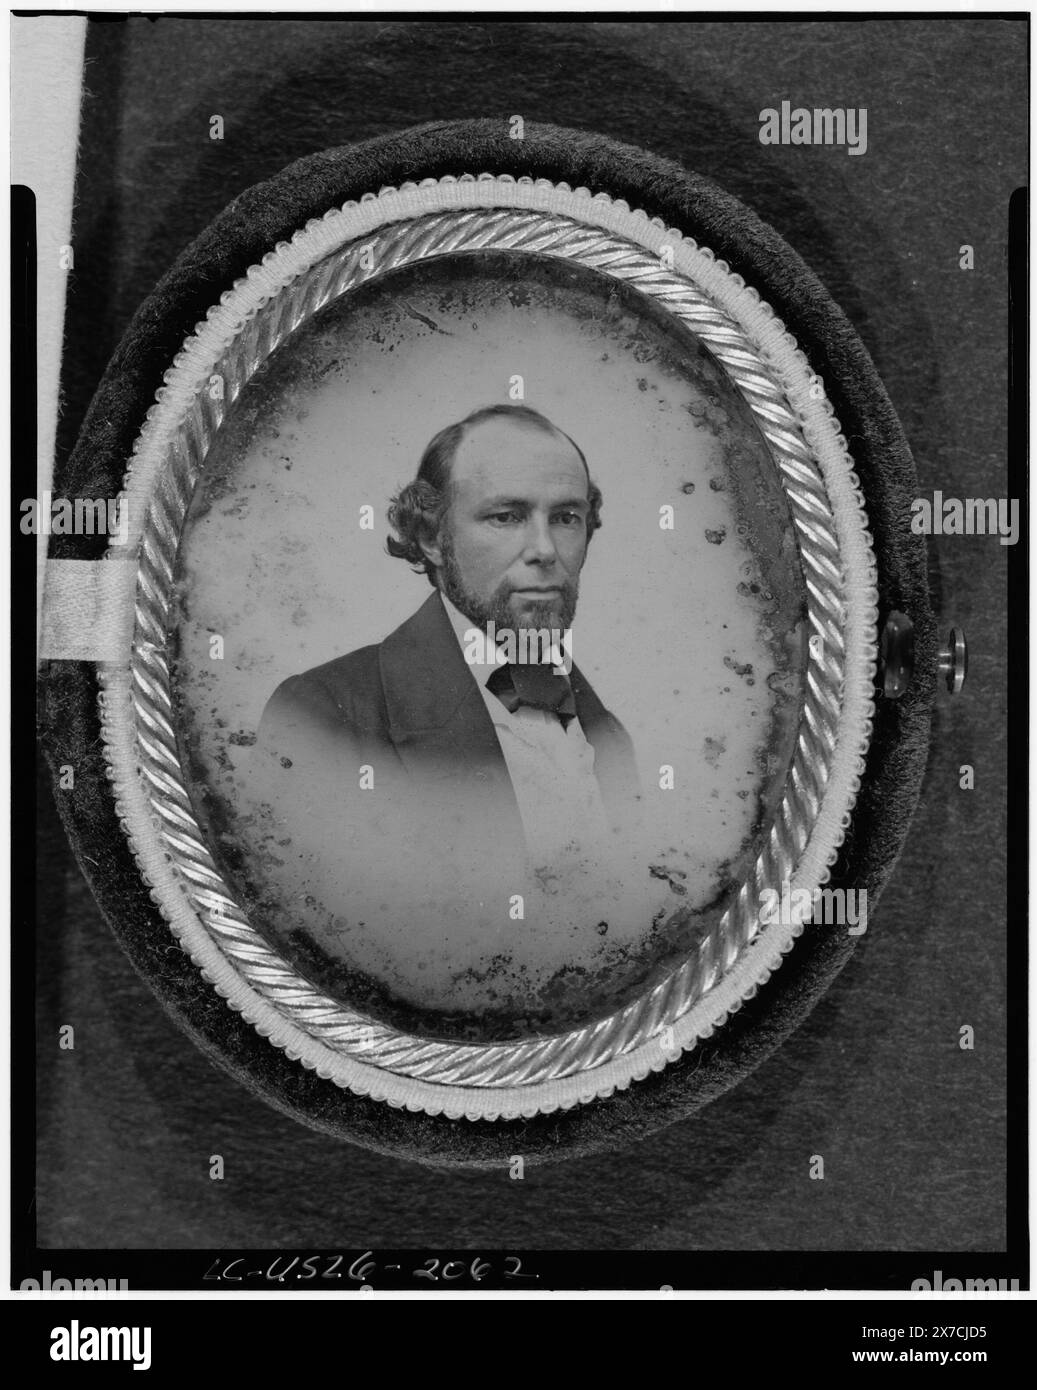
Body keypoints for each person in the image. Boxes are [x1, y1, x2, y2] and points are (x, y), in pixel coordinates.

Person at [258, 403, 640, 885]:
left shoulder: (608, 736)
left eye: (566, 517)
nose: (545, 550)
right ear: (433, 538)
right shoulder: (324, 716)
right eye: (506, 516)